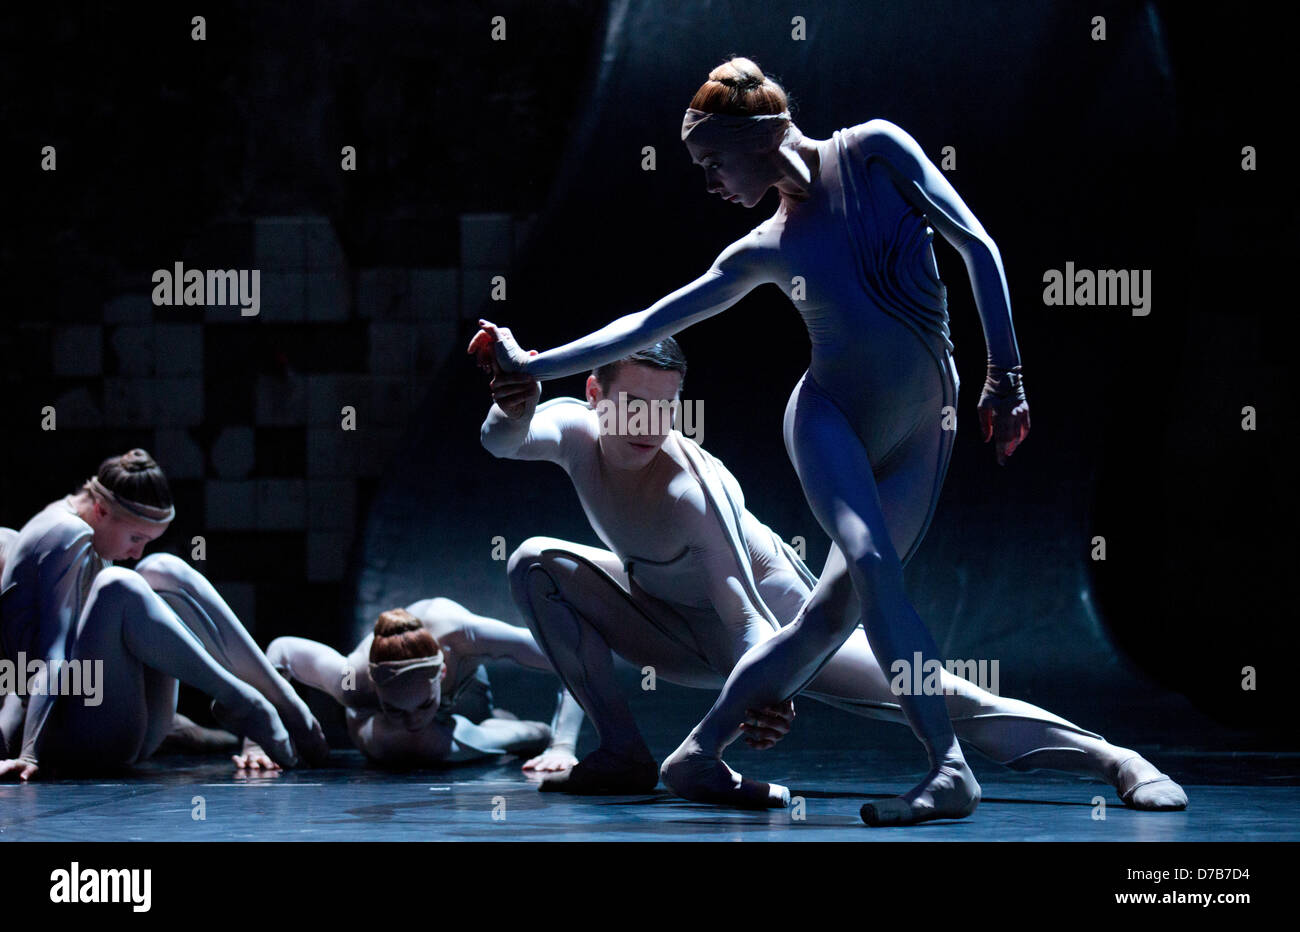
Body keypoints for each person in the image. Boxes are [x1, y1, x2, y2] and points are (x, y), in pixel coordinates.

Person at [468, 54, 1062, 824]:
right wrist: (532, 364)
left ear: (762, 137)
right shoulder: (763, 247)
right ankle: (948, 768)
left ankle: (703, 750)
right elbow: (648, 323)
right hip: (826, 418)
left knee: (835, 610)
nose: (711, 184)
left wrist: (1005, 376)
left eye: (713, 162)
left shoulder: (876, 149)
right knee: (873, 566)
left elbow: (978, 247)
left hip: (926, 415)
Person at [478, 338, 1186, 812]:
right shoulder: (571, 426)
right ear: (595, 392)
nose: (646, 423)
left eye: (663, 407)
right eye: (631, 404)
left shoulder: (693, 491)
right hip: (663, 618)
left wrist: (766, 692)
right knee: (535, 563)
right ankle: (623, 753)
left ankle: (1112, 759)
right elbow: (503, 440)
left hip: (773, 631)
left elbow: (748, 620)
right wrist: (510, 406)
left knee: (933, 694)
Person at [0, 448, 328, 781]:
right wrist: (29, 753)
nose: (135, 552)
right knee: (118, 583)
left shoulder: (78, 526)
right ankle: (238, 697)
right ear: (101, 509)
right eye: (135, 538)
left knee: (161, 568)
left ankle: (280, 698)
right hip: (80, 739)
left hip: (117, 722)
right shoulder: (63, 533)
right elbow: (47, 659)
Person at [263, 601, 583, 768]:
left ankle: (531, 732)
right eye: (396, 709)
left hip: (468, 696)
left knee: (423, 741)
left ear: (441, 673)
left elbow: (574, 657)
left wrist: (563, 745)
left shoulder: (466, 636)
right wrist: (261, 741)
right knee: (413, 743)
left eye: (423, 705)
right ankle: (501, 726)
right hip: (378, 724)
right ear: (375, 687)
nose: (413, 720)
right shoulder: (352, 678)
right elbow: (281, 651)